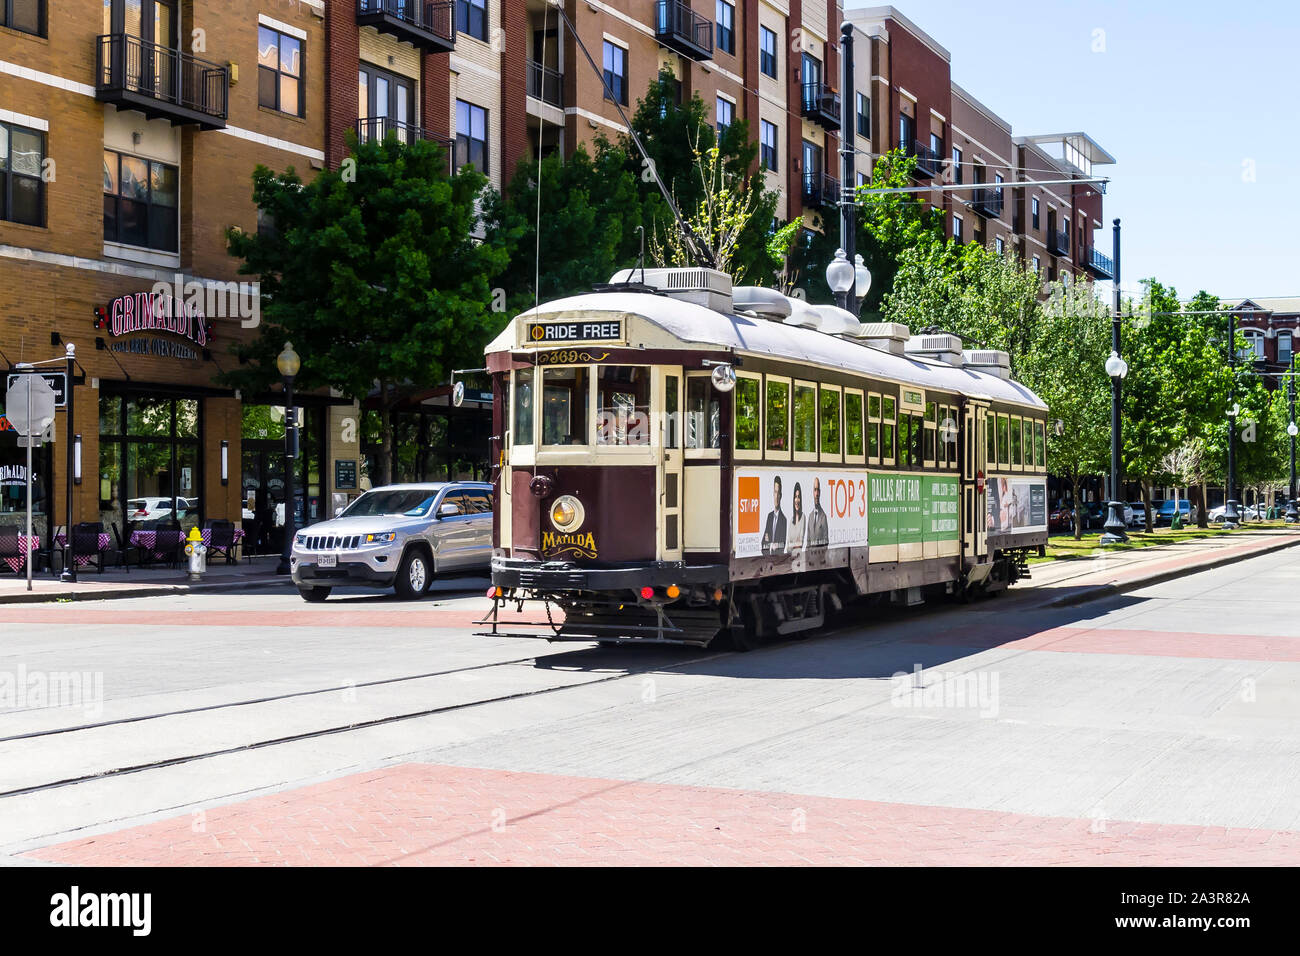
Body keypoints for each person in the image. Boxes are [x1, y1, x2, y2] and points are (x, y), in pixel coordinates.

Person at [760, 475, 787, 554]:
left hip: (777, 561)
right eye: (775, 492)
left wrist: (770, 543)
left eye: (778, 493)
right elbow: (763, 543)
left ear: (781, 496)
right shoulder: (770, 516)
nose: (776, 496)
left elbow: (782, 545)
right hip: (767, 559)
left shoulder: (783, 520)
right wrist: (771, 545)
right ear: (773, 493)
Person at [807, 477, 829, 550]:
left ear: (820, 492)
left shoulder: (823, 516)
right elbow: (808, 542)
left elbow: (826, 542)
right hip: (810, 559)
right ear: (813, 492)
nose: (816, 494)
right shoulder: (810, 517)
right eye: (815, 490)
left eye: (818, 490)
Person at [788, 482, 807, 555]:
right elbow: (788, 545)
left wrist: (793, 544)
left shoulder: (803, 517)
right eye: (795, 497)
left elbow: (800, 542)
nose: (797, 500)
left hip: (799, 557)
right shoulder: (791, 521)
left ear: (801, 500)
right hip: (790, 557)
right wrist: (793, 545)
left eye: (799, 497)